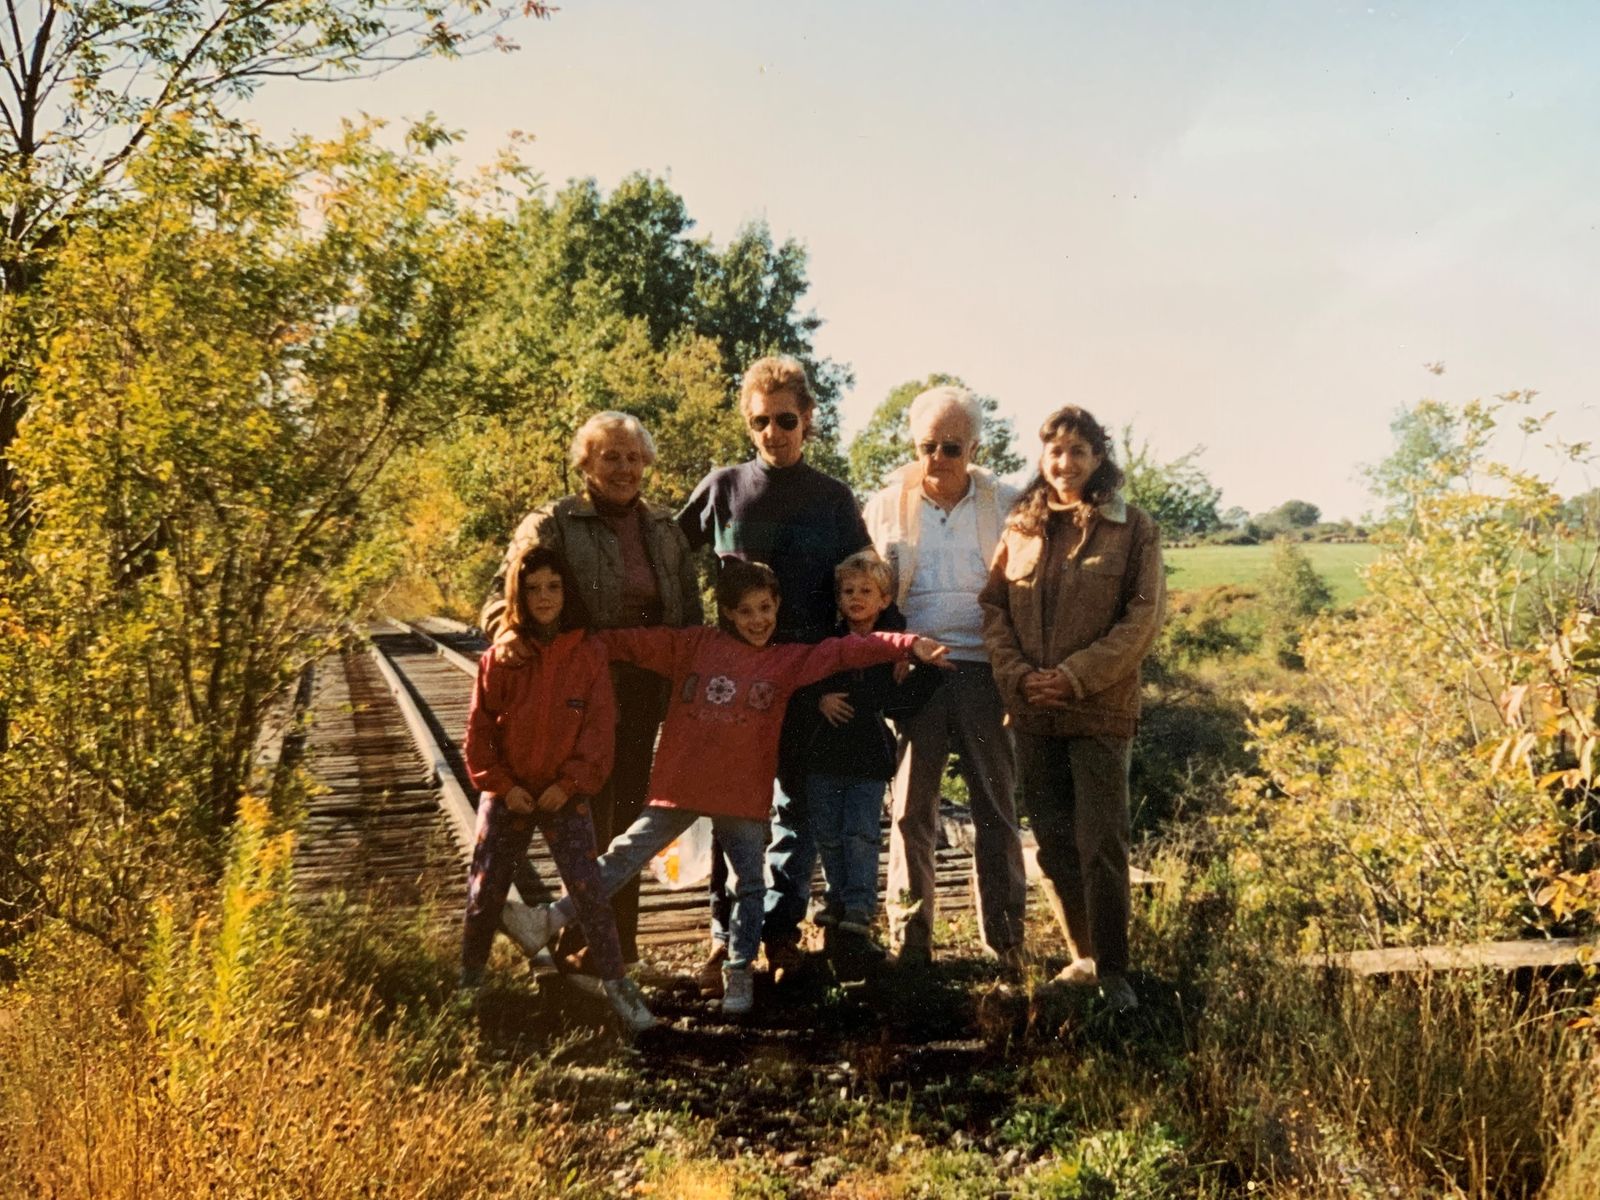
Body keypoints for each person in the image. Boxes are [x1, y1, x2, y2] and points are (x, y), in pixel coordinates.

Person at [522, 559, 951, 1016]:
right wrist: (556, 642)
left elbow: (848, 651)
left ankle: (740, 972)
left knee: (750, 885)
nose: (758, 620)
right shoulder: (692, 645)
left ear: (777, 606)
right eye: (745, 612)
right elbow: (625, 643)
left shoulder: (787, 660)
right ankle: (550, 917)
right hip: (682, 785)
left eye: (765, 609)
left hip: (741, 795)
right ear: (726, 612)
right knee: (623, 855)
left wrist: (910, 644)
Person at [677, 355, 872, 992]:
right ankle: (724, 941)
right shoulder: (723, 487)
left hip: (806, 681)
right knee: (728, 809)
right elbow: (666, 557)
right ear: (748, 422)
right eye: (761, 421)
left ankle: (782, 933)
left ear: (808, 419)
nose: (773, 433)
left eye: (785, 419)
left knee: (799, 816)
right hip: (733, 683)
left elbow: (862, 588)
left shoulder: (834, 499)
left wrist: (851, 669)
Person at [481, 411, 701, 970]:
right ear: (585, 463)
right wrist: (508, 634)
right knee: (587, 822)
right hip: (576, 696)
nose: (624, 468)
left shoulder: (663, 528)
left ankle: (614, 952)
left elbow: (690, 614)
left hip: (646, 692)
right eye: (611, 457)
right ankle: (582, 950)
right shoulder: (552, 524)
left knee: (628, 820)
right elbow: (501, 599)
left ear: (647, 464)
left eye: (633, 457)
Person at [978, 405, 1165, 1012]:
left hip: (1100, 712)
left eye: (1079, 451)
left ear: (1098, 458)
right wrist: (1020, 678)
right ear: (1042, 458)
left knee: (1102, 841)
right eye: (1055, 451)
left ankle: (1115, 973)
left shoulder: (1132, 528)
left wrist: (1075, 678)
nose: (1065, 463)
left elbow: (1143, 620)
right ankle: (1081, 957)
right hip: (1033, 711)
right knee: (1053, 843)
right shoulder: (1022, 526)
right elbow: (994, 610)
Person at [862, 385, 1028, 967]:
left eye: (951, 447)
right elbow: (864, 590)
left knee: (996, 807)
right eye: (927, 445)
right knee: (911, 810)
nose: (937, 458)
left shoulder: (1007, 502)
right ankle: (910, 936)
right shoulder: (884, 505)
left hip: (985, 669)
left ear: (975, 446)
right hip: (918, 671)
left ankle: (1005, 940)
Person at [461, 544, 657, 1035]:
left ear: (567, 591)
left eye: (553, 587)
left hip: (562, 794)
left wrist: (571, 783)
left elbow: (599, 730)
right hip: (510, 794)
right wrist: (503, 787)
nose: (544, 597)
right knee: (485, 891)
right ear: (517, 596)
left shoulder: (586, 652)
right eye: (532, 590)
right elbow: (479, 733)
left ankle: (618, 988)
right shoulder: (501, 657)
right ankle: (470, 985)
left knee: (590, 893)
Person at [783, 550, 943, 974]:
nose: (856, 598)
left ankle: (859, 905)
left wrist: (925, 668)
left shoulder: (893, 651)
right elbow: (796, 682)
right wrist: (819, 698)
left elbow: (901, 702)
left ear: (884, 599)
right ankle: (838, 898)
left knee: (860, 832)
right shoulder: (824, 641)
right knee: (828, 834)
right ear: (838, 599)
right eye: (848, 591)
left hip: (867, 757)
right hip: (823, 753)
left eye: (866, 591)